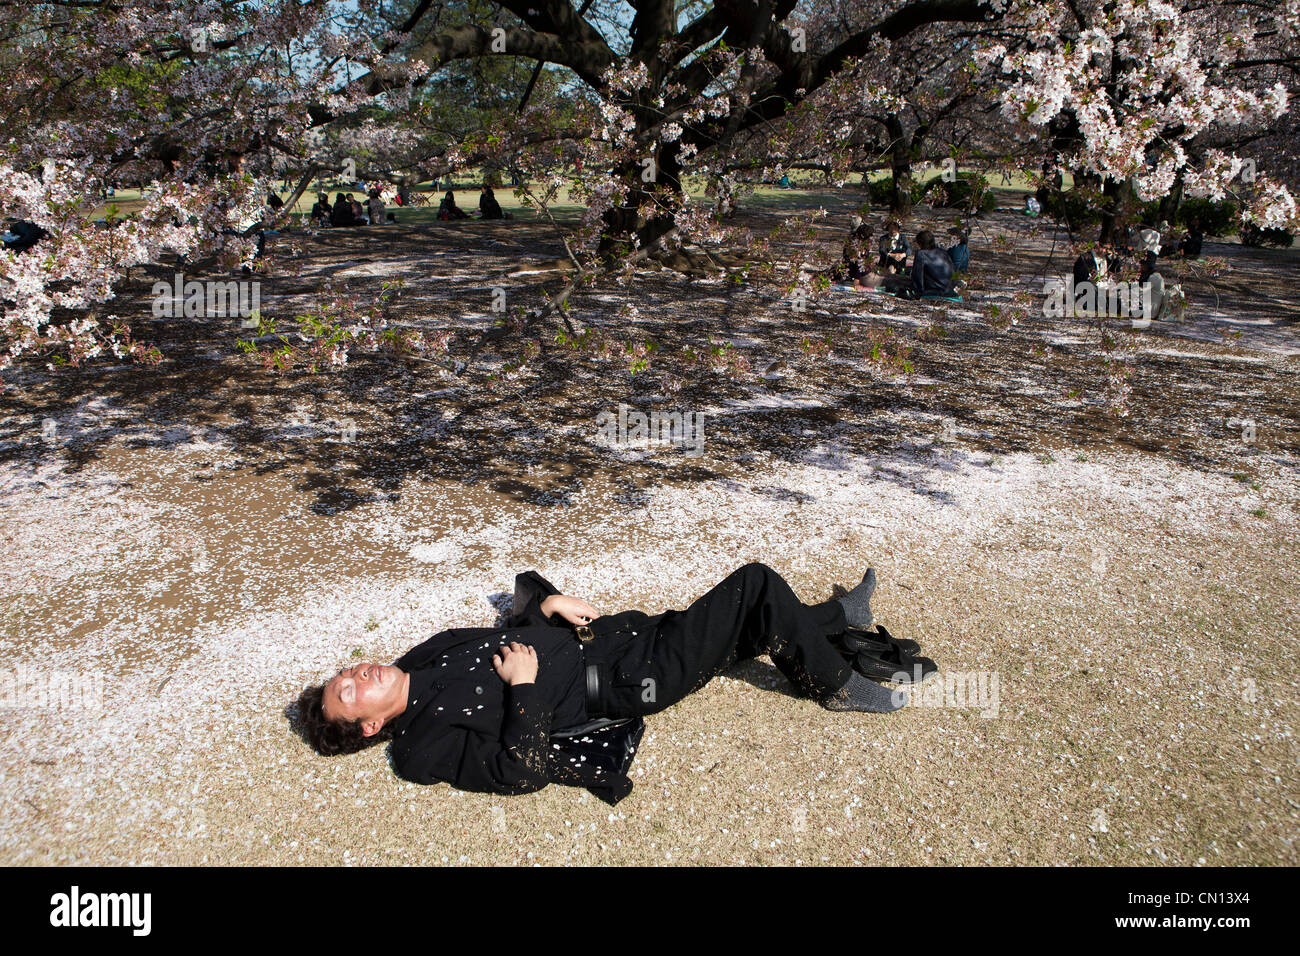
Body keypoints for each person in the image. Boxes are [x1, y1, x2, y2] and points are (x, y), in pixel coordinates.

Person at [296, 563, 927, 804]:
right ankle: (837, 684)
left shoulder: (421, 655)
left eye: (346, 672)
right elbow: (522, 772)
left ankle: (841, 618)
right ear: (371, 726)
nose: (357, 675)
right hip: (628, 680)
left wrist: (547, 607)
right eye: (349, 693)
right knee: (753, 586)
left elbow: (516, 610)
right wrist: (523, 687)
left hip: (619, 634)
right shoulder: (419, 747)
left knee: (740, 622)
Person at [902, 229, 956, 298]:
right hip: (950, 289)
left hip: (935, 291)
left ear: (920, 243)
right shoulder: (943, 252)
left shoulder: (921, 254)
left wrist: (918, 292)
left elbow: (917, 277)